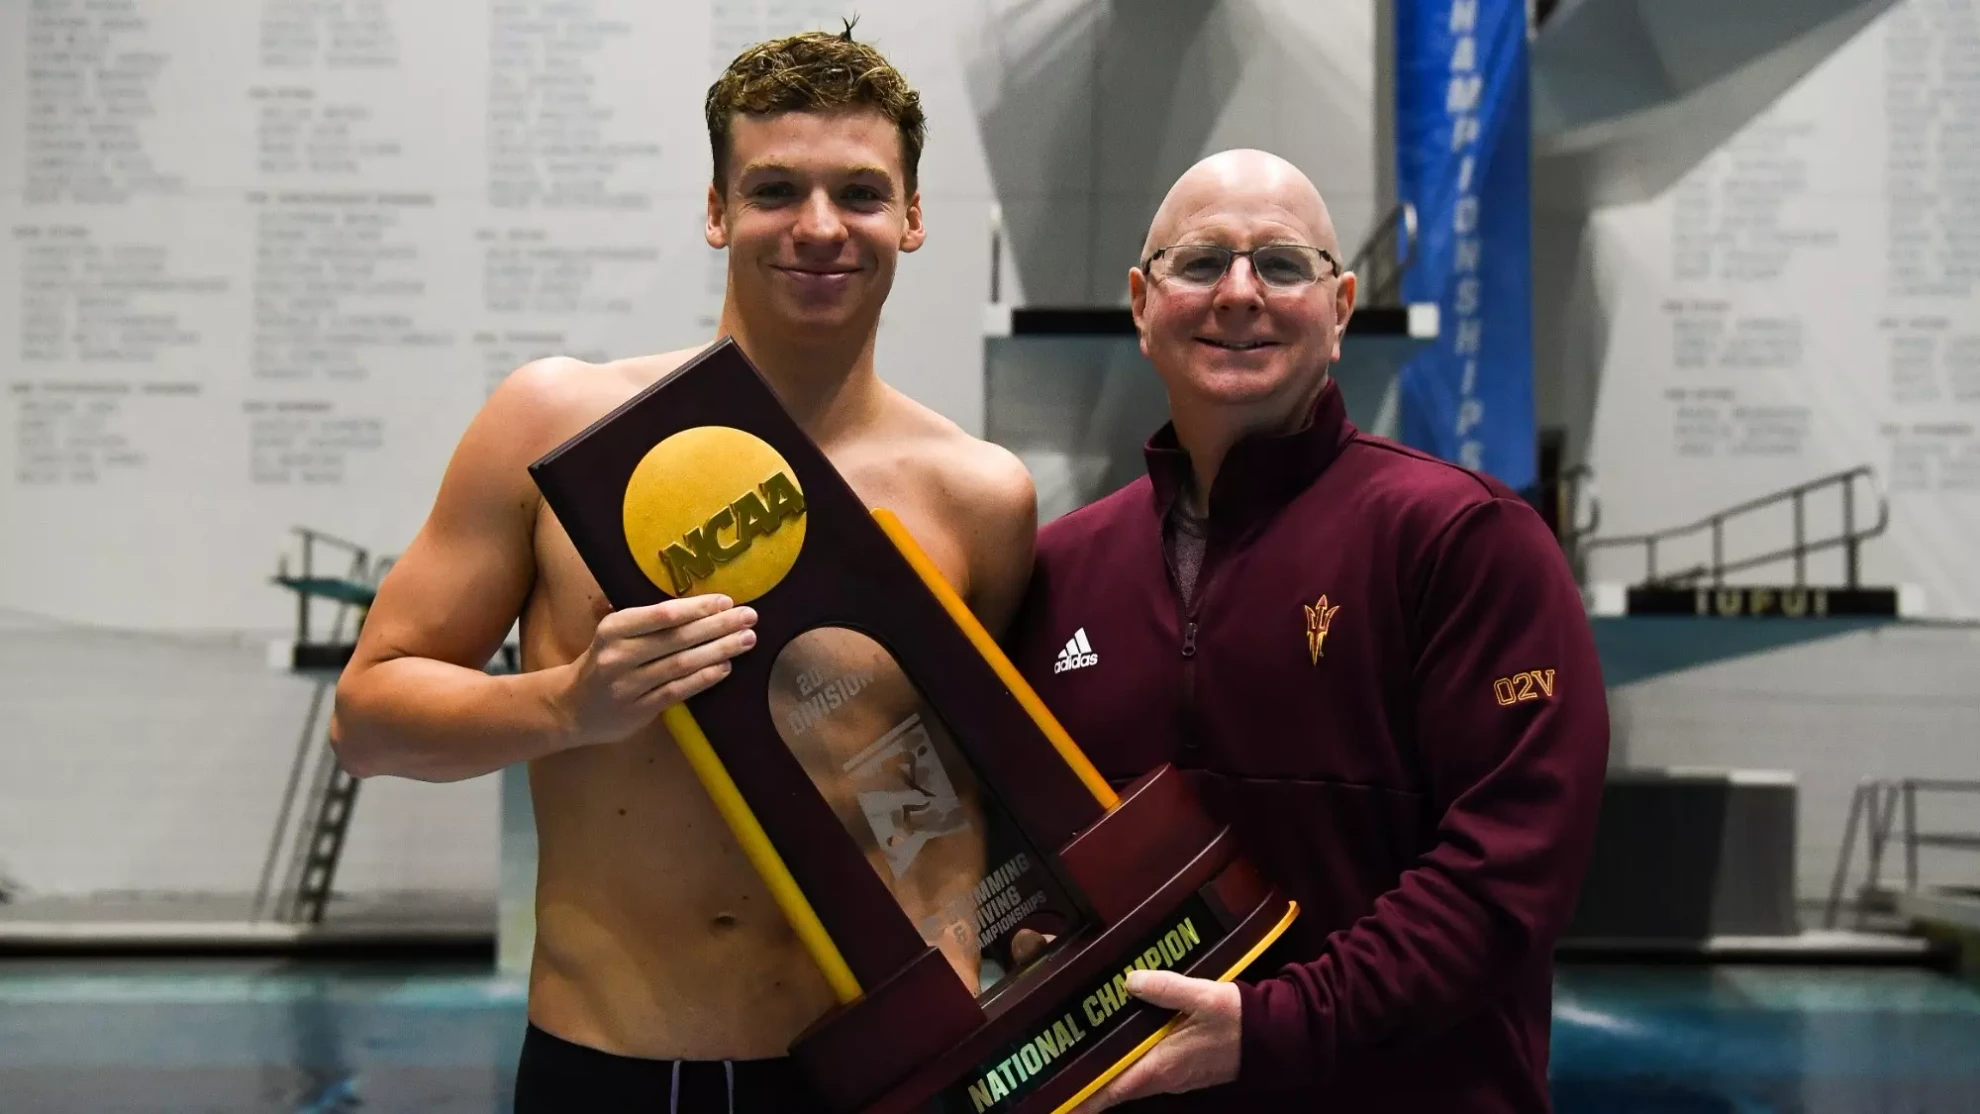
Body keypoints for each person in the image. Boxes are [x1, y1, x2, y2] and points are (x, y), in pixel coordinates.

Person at [328, 27, 1037, 1114]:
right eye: (774, 190)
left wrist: (957, 1029)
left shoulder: (976, 498)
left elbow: (953, 800)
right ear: (716, 211)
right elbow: (367, 720)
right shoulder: (558, 429)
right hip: (609, 1066)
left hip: (866, 1073)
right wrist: (570, 703)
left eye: (859, 192)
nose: (818, 227)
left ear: (911, 216)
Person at [1003, 149, 1610, 1113]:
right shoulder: (1060, 567)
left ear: (1340, 310)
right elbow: (1017, 852)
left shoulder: (1464, 539)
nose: (1239, 293)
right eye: (1201, 262)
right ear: (1141, 305)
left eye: (1283, 265)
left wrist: (1275, 1025)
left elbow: (1506, 872)